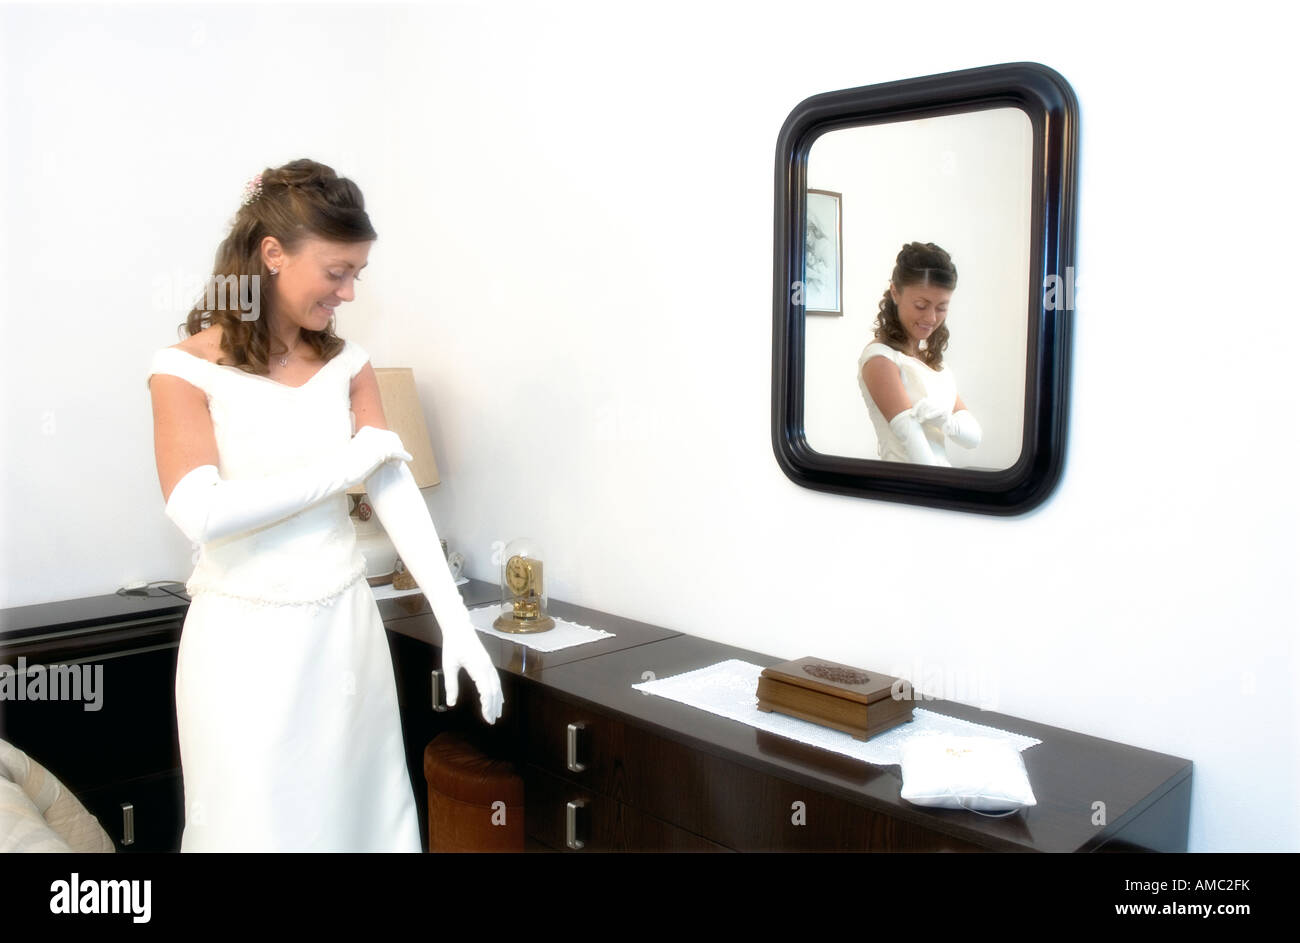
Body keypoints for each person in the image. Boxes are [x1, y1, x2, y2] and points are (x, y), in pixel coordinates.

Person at [145, 159, 503, 851]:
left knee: (360, 824)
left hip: (344, 632)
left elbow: (390, 483)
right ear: (272, 254)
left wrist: (456, 622)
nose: (347, 292)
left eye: (357, 275)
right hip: (242, 645)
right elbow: (202, 512)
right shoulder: (181, 369)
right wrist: (343, 467)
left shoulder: (349, 363)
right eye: (335, 271)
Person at [857, 242, 982, 466]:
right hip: (911, 488)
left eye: (942, 307)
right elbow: (914, 447)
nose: (931, 318)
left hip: (940, 482)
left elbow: (974, 438)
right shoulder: (881, 360)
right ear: (895, 292)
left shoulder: (933, 362)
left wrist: (947, 423)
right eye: (921, 305)